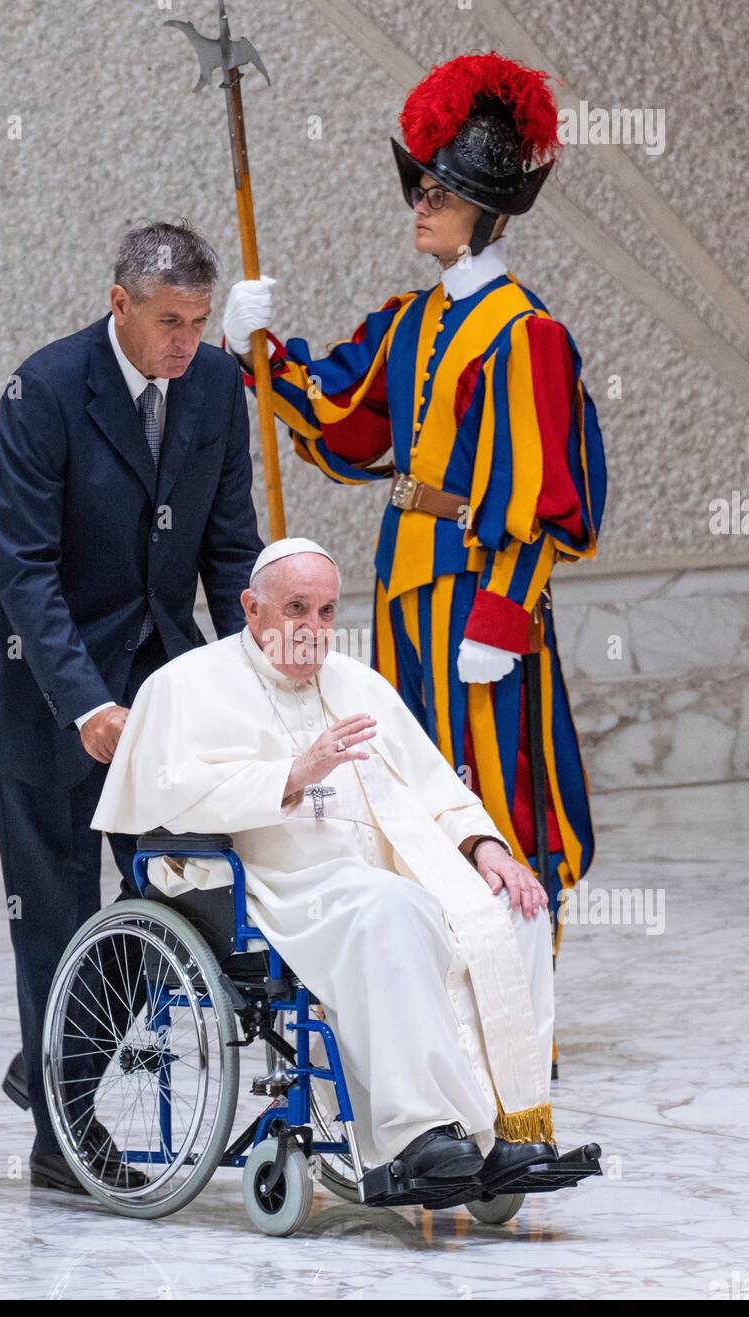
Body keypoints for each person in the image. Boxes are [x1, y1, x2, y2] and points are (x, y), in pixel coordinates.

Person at [220, 52, 607, 960]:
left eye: (441, 191)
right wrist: (256, 351)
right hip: (407, 589)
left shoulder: (526, 335)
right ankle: (441, 979)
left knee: (497, 782)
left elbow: (544, 497)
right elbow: (346, 425)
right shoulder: (411, 319)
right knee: (416, 778)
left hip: (478, 594)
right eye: (422, 186)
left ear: (488, 210)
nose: (421, 204)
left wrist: (504, 617)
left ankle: (519, 1010)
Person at [0, 219, 263, 1191]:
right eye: (168, 320)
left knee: (193, 887)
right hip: (37, 687)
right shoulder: (42, 393)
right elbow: (26, 574)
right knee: (55, 908)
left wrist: (263, 666)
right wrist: (84, 705)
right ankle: (59, 1139)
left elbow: (229, 548)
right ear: (119, 303)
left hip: (157, 682)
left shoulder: (215, 386)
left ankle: (52, 1062)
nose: (184, 341)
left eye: (199, 321)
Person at [90, 537, 572, 1184]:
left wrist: (485, 849)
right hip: (279, 884)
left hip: (390, 875)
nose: (313, 630)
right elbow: (172, 800)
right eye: (295, 609)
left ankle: (509, 1133)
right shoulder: (187, 685)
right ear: (252, 610)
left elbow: (435, 787)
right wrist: (293, 773)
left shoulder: (359, 683)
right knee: (391, 911)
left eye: (325, 612)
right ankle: (420, 1133)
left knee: (517, 907)